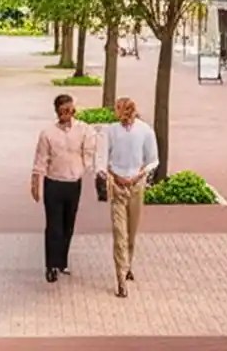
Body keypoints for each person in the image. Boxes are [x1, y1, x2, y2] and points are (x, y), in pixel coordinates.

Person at [95, 97, 158, 298]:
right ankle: (120, 277)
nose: (123, 117)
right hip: (117, 185)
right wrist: (111, 175)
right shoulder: (110, 131)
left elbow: (152, 160)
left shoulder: (145, 131)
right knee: (119, 232)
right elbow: (102, 159)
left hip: (136, 185)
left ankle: (128, 263)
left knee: (131, 231)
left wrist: (139, 175)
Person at [30, 93, 95, 283]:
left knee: (68, 224)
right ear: (57, 112)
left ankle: (62, 260)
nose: (68, 114)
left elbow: (90, 150)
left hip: (73, 183)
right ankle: (51, 265)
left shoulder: (84, 130)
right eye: (64, 111)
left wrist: (84, 168)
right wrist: (36, 183)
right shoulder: (47, 134)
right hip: (54, 182)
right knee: (54, 226)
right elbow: (41, 160)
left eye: (71, 110)